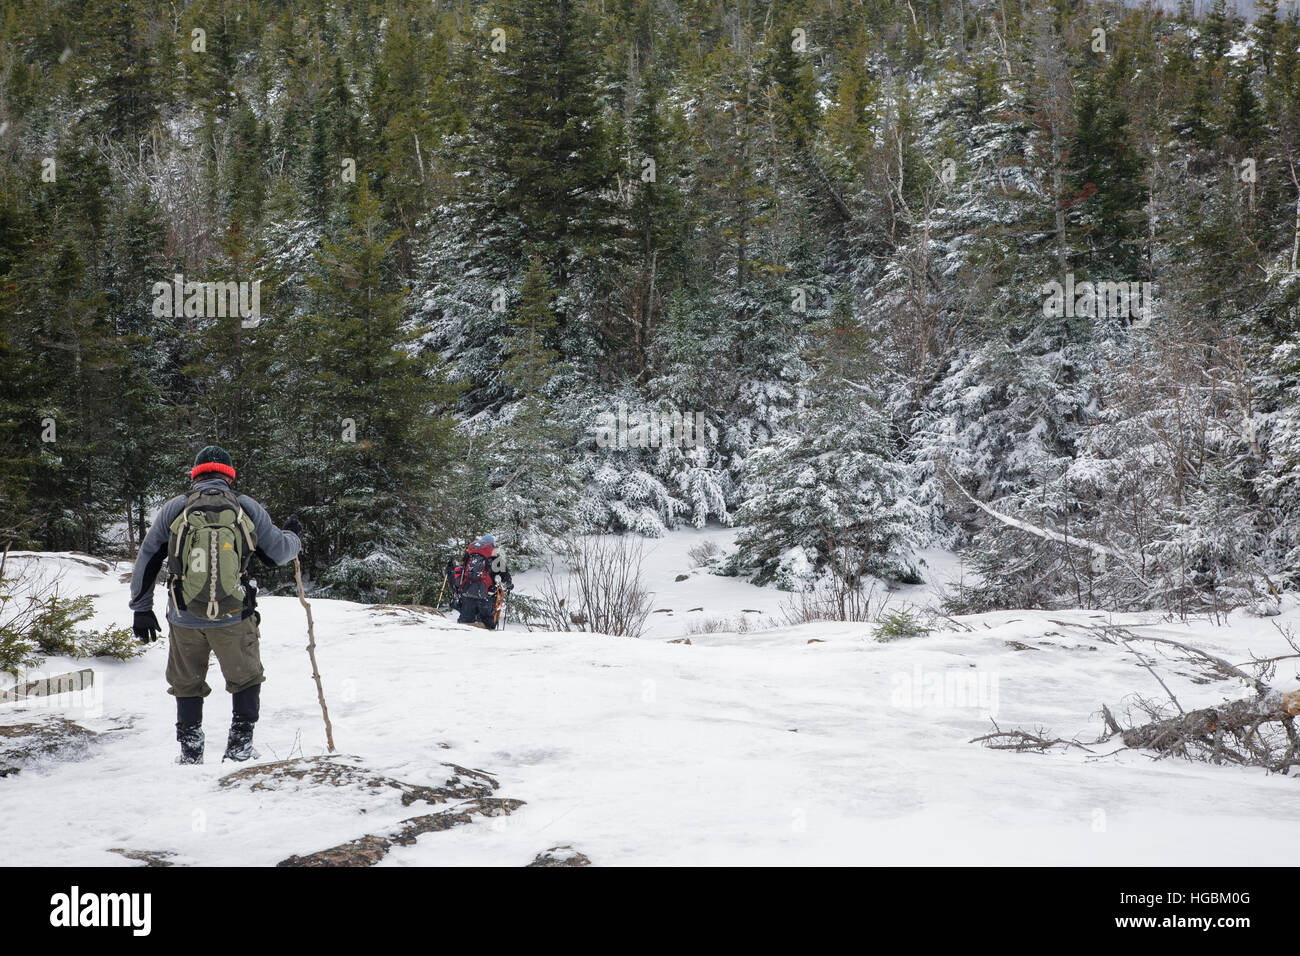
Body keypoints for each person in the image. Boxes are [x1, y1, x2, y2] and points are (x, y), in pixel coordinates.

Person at [129, 446, 302, 765]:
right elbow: (278, 553)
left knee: (186, 682)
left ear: (195, 474)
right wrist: (293, 535)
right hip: (234, 615)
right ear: (229, 476)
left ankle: (190, 751)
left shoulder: (175, 509)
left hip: (184, 617)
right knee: (246, 677)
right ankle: (240, 748)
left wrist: (141, 608)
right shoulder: (245, 506)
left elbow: (149, 557)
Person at [451, 534, 512, 629]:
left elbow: (462, 570)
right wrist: (509, 585)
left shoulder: (470, 556)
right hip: (486, 596)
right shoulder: (495, 559)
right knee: (487, 624)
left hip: (467, 593)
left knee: (465, 622)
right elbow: (506, 577)